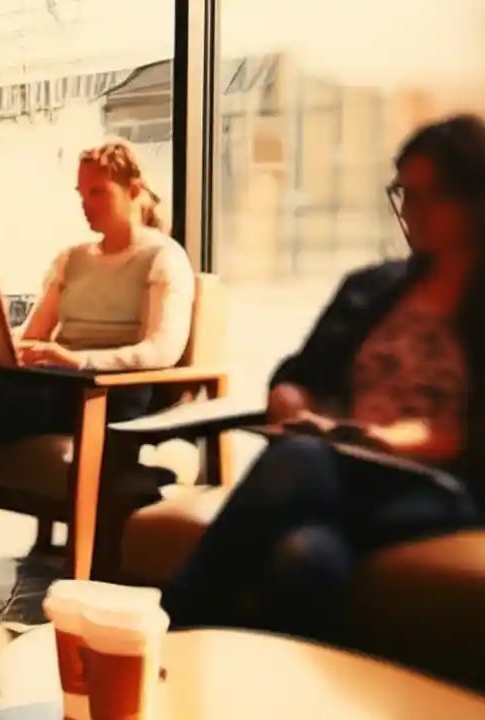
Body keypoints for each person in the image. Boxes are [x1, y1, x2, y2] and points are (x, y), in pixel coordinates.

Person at [161, 115, 485, 641]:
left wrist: (398, 440)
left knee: (300, 462)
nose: (411, 211)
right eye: (403, 193)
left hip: (446, 484)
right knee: (307, 557)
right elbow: (298, 374)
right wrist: (292, 401)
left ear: (475, 198)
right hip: (348, 467)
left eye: (431, 196)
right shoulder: (373, 289)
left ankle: (172, 625)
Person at [0, 139, 196, 585]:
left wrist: (75, 359)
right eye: (81, 193)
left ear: (135, 191)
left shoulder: (162, 258)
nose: (86, 205)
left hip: (107, 391)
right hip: (54, 380)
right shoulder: (73, 259)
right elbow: (32, 335)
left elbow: (160, 350)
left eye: (98, 193)